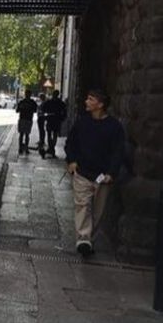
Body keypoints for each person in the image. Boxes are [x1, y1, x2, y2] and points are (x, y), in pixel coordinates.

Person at [64, 89, 125, 257]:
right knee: (82, 206)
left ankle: (89, 239)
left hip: (103, 177)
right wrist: (72, 161)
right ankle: (83, 239)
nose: (86, 102)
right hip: (82, 172)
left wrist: (111, 173)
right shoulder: (82, 123)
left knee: (98, 211)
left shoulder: (114, 127)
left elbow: (118, 152)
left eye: (90, 99)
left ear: (100, 104)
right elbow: (71, 143)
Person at [42, 90, 68, 158]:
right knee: (55, 135)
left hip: (50, 120)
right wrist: (62, 118)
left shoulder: (49, 102)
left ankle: (51, 148)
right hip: (57, 121)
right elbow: (65, 112)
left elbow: (43, 109)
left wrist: (45, 117)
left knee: (49, 134)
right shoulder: (61, 103)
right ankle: (52, 147)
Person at [15, 89, 37, 155]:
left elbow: (17, 110)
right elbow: (35, 110)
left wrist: (22, 108)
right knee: (26, 134)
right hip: (28, 119)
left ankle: (20, 148)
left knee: (21, 134)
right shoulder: (32, 102)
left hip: (23, 119)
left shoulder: (22, 102)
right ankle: (25, 148)